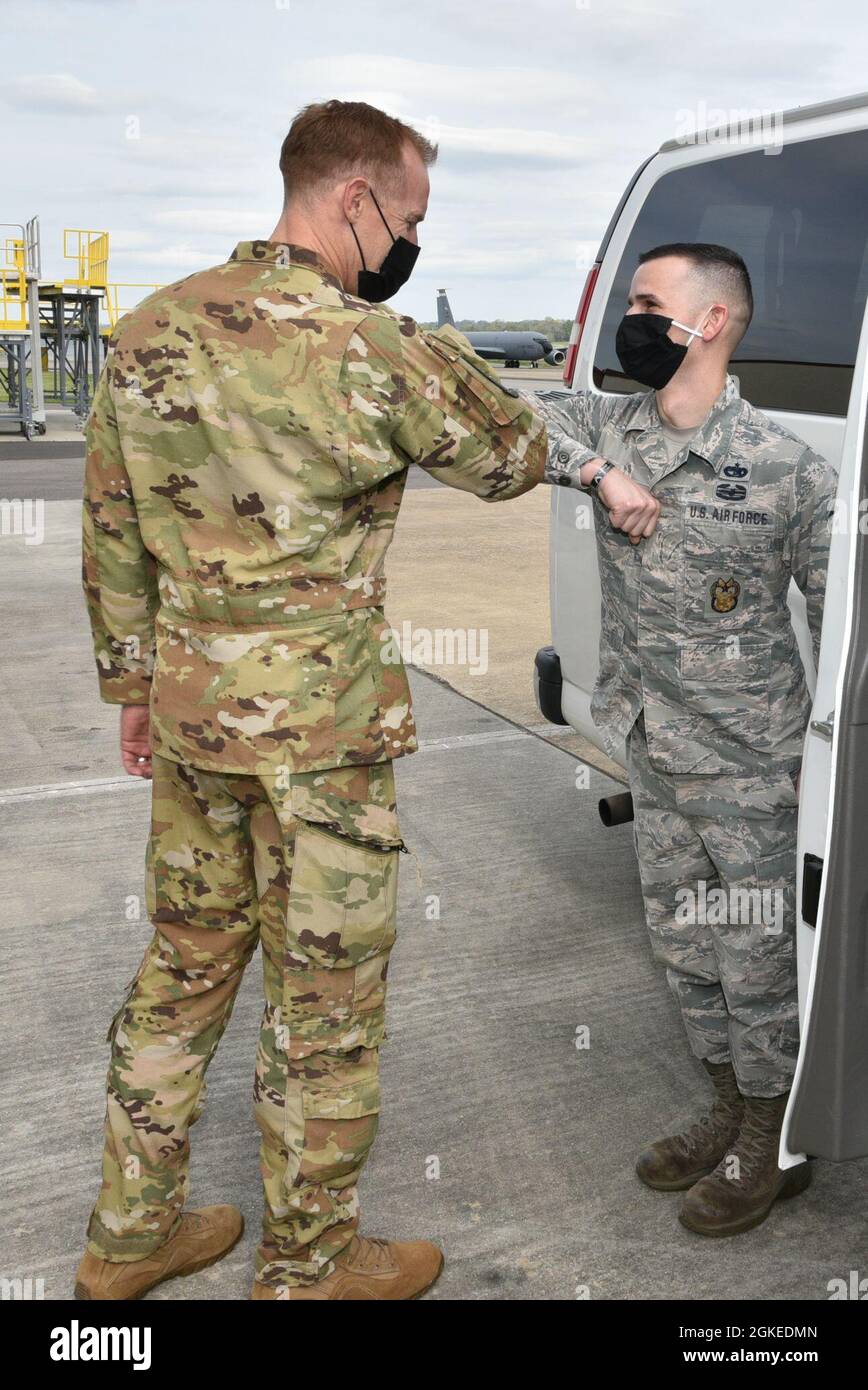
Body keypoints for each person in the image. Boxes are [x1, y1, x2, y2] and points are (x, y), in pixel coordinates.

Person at [75, 99, 546, 1300]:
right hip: (320, 733)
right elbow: (512, 456)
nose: (410, 241)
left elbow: (114, 532)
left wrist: (133, 684)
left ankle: (127, 1239)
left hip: (190, 716)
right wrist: (429, 346)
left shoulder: (145, 332)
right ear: (356, 201)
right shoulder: (365, 345)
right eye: (412, 216)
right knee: (323, 997)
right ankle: (311, 1265)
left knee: (183, 966)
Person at [531, 243, 836, 1237]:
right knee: (685, 947)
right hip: (651, 749)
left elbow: (843, 631)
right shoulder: (611, 427)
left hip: (749, 769)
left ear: (706, 323)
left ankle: (773, 1140)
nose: (629, 319)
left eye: (644, 303)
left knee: (757, 963)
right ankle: (724, 1105)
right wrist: (596, 476)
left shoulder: (790, 471)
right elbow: (516, 422)